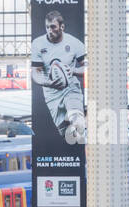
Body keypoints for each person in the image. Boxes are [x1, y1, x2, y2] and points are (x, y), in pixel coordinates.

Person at [31, 10, 87, 143]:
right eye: (47, 27)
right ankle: (82, 133)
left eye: (53, 27)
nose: (50, 30)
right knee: (69, 137)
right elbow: (35, 72)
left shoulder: (75, 43)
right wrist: (47, 82)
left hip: (70, 88)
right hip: (51, 93)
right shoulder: (37, 44)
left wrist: (72, 71)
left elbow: (88, 69)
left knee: (77, 120)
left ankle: (84, 128)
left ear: (62, 27)